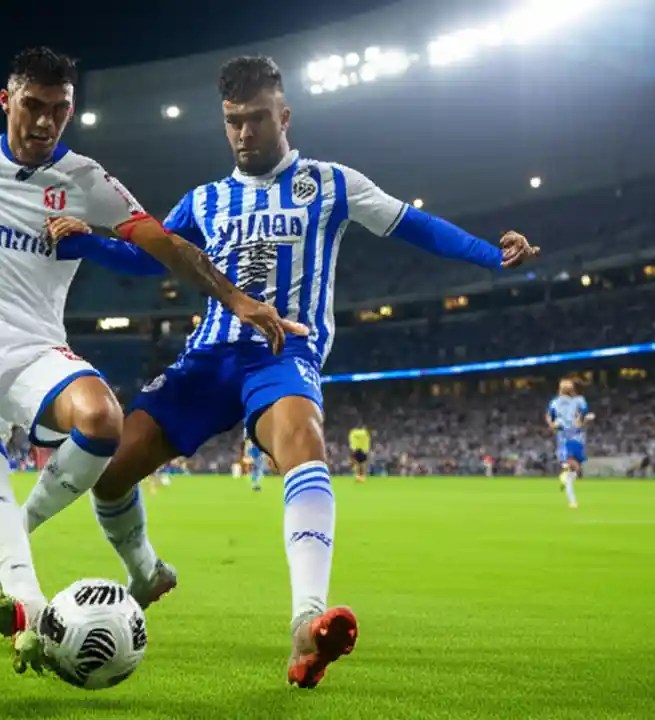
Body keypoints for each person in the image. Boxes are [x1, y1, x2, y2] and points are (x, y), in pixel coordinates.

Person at [31, 55, 540, 688]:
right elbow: (150, 260)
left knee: (303, 442)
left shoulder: (331, 184)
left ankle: (307, 623)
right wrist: (83, 239)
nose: (244, 133)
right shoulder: (205, 199)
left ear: (285, 116)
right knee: (108, 474)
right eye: (233, 122)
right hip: (205, 361)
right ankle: (147, 573)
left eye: (256, 120)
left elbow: (414, 225)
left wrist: (493, 256)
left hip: (282, 355)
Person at [0, 47, 302, 674]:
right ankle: (27, 603)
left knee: (103, 420)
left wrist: (235, 299)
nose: (44, 122)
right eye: (33, 106)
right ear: (6, 101)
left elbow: (167, 245)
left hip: (36, 343)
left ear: (71, 110)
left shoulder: (86, 181)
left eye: (59, 110)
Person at [547, 379, 593, 509]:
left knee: (574, 468)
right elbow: (585, 413)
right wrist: (584, 420)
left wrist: (553, 425)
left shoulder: (555, 403)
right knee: (573, 467)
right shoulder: (579, 400)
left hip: (565, 437)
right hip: (577, 437)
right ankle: (572, 501)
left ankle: (565, 476)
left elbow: (550, 417)